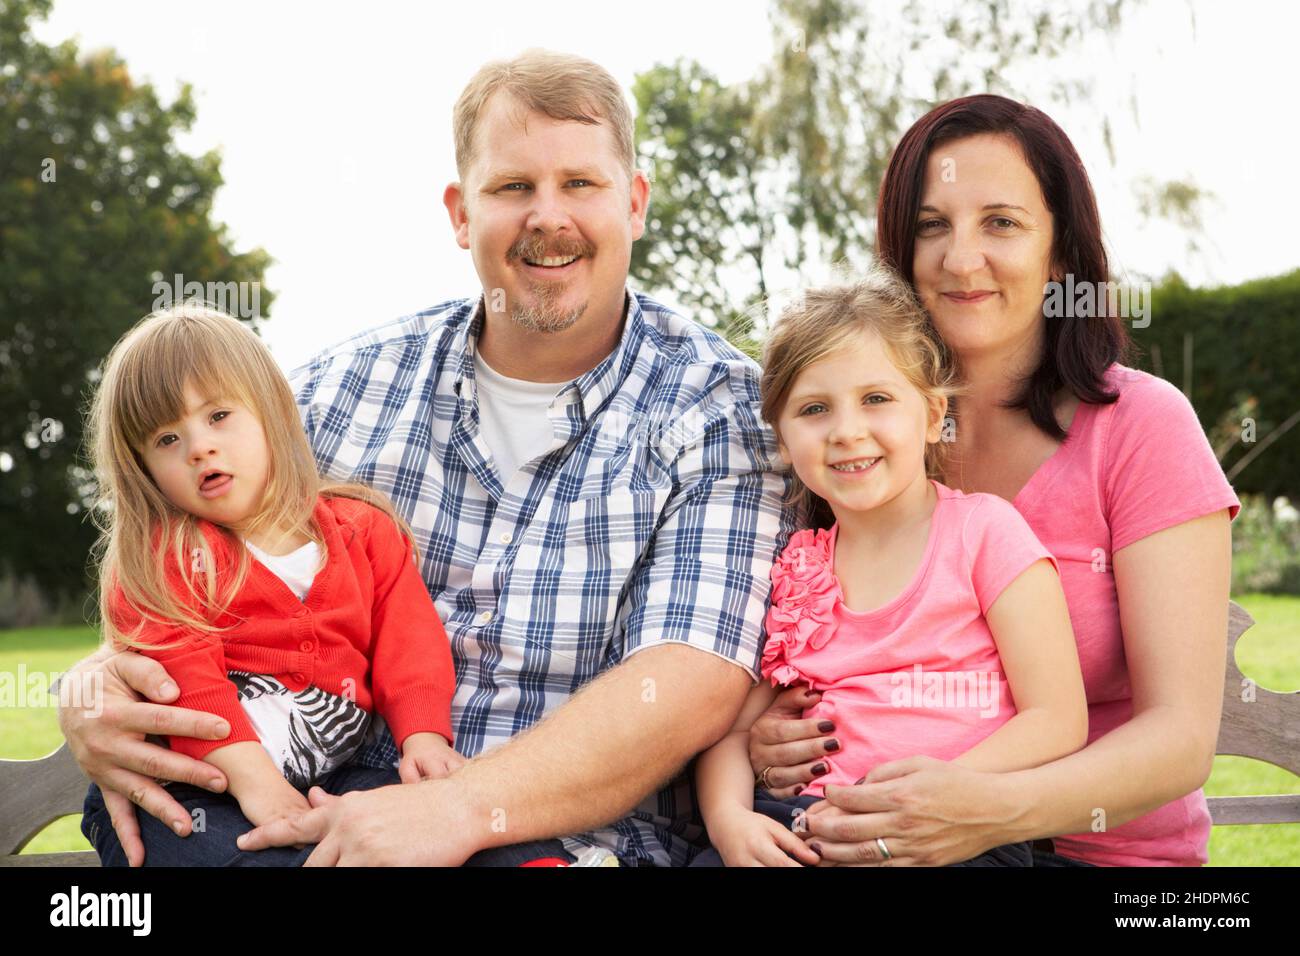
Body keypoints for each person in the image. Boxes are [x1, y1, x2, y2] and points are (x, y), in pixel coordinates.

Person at [57, 50, 792, 866]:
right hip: (312, 813)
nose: (548, 216)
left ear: (636, 201)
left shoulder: (723, 411)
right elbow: (187, 568)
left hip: (575, 847)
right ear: (459, 213)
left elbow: (689, 680)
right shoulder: (332, 394)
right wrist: (97, 684)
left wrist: (457, 811)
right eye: (512, 187)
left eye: (580, 184)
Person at [747, 94, 1241, 867]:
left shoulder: (1142, 428)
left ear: (1062, 253)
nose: (960, 258)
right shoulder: (857, 443)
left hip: (1097, 861)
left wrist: (984, 812)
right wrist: (773, 740)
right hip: (862, 840)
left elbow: (1180, 740)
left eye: (1001, 223)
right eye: (931, 226)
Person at [692, 269, 1088, 866]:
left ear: (931, 414)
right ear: (782, 435)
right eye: (814, 409)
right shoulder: (797, 562)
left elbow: (1058, 718)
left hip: (952, 832)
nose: (848, 432)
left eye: (876, 399)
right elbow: (733, 729)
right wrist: (729, 821)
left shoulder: (984, 533)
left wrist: (935, 795)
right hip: (805, 832)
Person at [76, 305, 472, 866]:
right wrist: (255, 783)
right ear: (142, 468)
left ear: (273, 414)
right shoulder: (165, 557)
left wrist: (423, 737)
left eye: (218, 416)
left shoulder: (364, 531)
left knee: (440, 827)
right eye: (167, 438)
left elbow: (411, 645)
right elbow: (188, 679)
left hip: (336, 771)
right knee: (195, 840)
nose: (198, 448)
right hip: (195, 782)